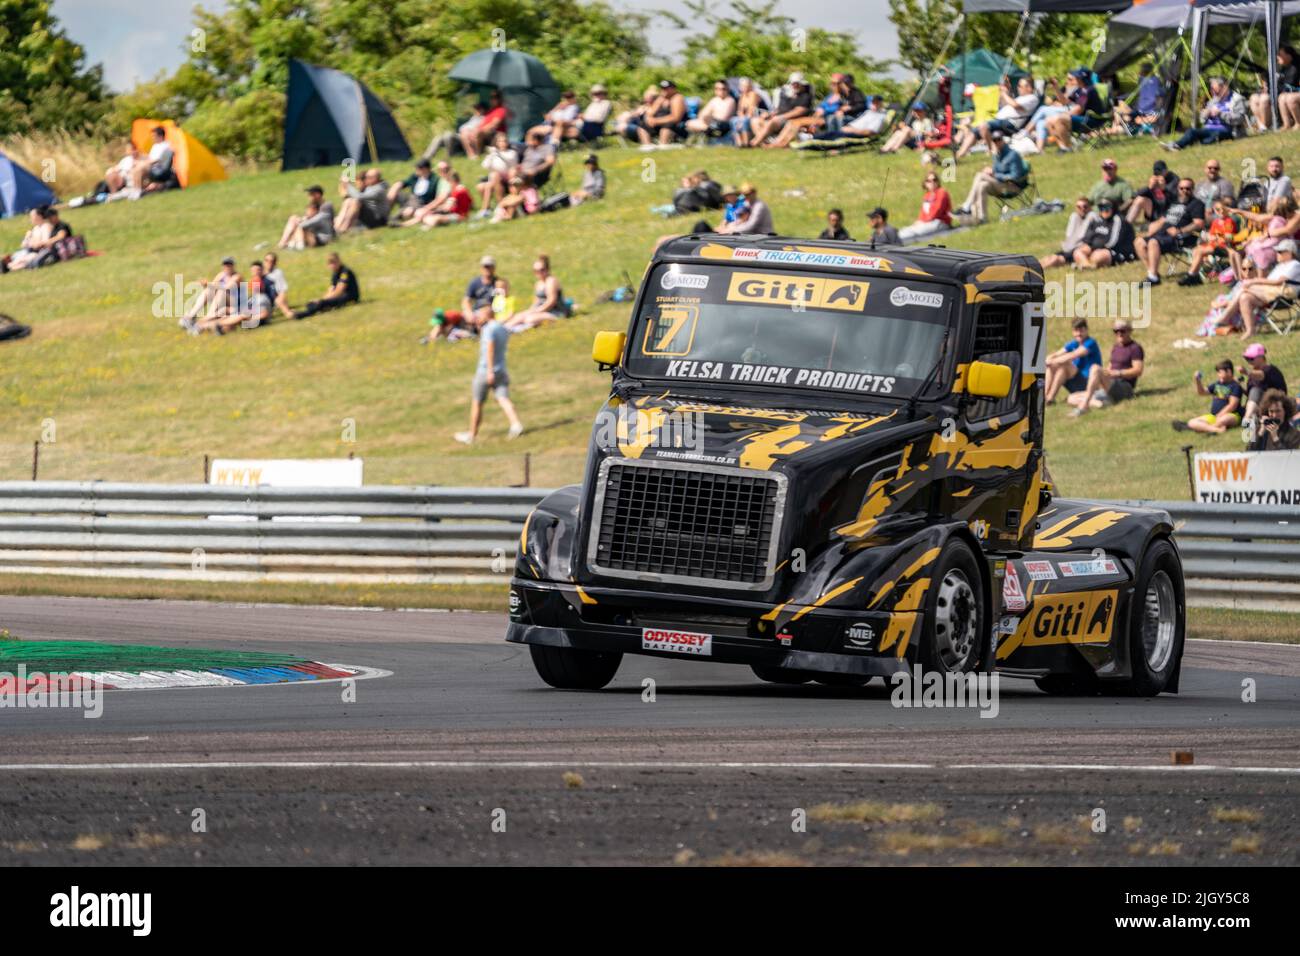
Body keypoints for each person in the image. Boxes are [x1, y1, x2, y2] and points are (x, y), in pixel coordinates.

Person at [454, 306, 524, 444]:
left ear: (487, 315)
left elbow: (490, 349)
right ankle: (516, 424)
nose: (478, 318)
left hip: (486, 371)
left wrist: (490, 371)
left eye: (480, 315)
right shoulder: (502, 328)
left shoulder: (489, 329)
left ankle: (471, 435)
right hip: (501, 369)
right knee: (503, 398)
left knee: (477, 402)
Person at [1216, 239, 1300, 337]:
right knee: (1245, 297)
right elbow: (1268, 281)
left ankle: (1225, 315)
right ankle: (1250, 330)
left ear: (1290, 253)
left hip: (1284, 293)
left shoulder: (1295, 264)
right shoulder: (1280, 266)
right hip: (1271, 293)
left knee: (1245, 288)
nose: (1277, 254)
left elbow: (1279, 282)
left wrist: (1255, 281)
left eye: (1280, 252)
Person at [1134, 178, 1205, 284]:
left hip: (1181, 238)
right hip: (1163, 235)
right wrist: (1153, 227)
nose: (1184, 191)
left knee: (1153, 242)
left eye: (1188, 188)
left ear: (1192, 189)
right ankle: (1153, 273)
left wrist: (1180, 230)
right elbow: (1163, 219)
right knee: (1138, 242)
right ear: (1178, 189)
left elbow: (1199, 223)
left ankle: (1152, 278)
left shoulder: (1196, 204)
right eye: (1182, 188)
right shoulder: (1174, 203)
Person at [1068, 319, 1144, 417]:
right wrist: (1103, 376)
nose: (1119, 334)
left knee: (1095, 368)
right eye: (1116, 331)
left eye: (1122, 331)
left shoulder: (1135, 348)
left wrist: (1118, 373)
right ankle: (1100, 404)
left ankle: (1084, 406)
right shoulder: (1116, 347)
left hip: (1125, 387)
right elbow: (1110, 367)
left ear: (1129, 331)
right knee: (1071, 398)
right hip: (1110, 385)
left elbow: (1138, 370)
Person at [956, 75, 1039, 158]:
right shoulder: (1020, 98)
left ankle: (992, 150)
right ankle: (959, 154)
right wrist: (1005, 89)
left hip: (1011, 123)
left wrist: (1004, 94)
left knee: (983, 126)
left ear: (1029, 87)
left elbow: (1015, 105)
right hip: (999, 121)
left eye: (1020, 86)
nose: (1018, 88)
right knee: (974, 131)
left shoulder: (1032, 98)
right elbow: (1006, 103)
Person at [954, 130, 1027, 224]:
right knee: (982, 185)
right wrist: (991, 171)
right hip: (1001, 185)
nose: (996, 142)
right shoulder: (997, 154)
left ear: (1003, 140)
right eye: (994, 140)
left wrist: (996, 175)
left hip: (1013, 187)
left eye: (999, 139)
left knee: (979, 175)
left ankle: (967, 206)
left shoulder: (1013, 155)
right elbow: (997, 170)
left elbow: (1015, 176)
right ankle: (982, 218)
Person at [1165, 77, 1245, 149]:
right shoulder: (1214, 100)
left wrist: (1220, 114)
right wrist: (1205, 114)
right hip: (1209, 129)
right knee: (1192, 131)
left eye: (1216, 90)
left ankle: (1198, 142)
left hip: (1226, 130)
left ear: (1224, 87)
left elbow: (1240, 119)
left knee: (1212, 137)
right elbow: (1202, 120)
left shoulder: (1237, 99)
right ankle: (1177, 145)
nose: (1213, 93)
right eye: (1212, 90)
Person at [1176, 197, 1239, 285]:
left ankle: (1192, 275)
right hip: (1215, 245)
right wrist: (1208, 236)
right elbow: (1211, 234)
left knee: (1200, 251)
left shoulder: (1229, 222)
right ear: (1214, 210)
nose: (1220, 212)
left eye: (1223, 209)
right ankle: (1194, 275)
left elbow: (1228, 237)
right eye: (1217, 210)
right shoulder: (1216, 222)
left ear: (1227, 210)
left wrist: (1215, 237)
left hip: (1226, 247)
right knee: (1196, 250)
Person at [1172, 360, 1244, 435]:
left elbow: (1232, 405)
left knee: (1223, 420)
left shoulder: (1235, 386)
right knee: (1192, 422)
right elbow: (1202, 392)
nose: (1218, 375)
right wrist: (1198, 381)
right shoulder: (1217, 384)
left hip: (1232, 415)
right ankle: (1215, 429)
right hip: (1213, 416)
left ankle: (1202, 428)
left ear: (1229, 372)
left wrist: (1220, 415)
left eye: (1220, 372)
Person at [504, 254, 571, 331]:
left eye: (542, 270)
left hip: (555, 312)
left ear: (547, 269)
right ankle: (504, 329)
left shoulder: (551, 281)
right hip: (541, 310)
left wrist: (538, 311)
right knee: (519, 316)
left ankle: (511, 329)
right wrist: (530, 310)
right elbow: (536, 301)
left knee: (530, 319)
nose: (539, 273)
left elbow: (551, 301)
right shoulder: (538, 284)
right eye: (536, 271)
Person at [1045, 70, 1106, 151]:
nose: (1075, 80)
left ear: (1082, 79)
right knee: (1049, 121)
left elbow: (1079, 110)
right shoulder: (1079, 90)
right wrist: (1056, 87)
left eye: (1076, 78)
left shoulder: (1088, 90)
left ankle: (1068, 148)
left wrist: (1063, 115)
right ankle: (1063, 147)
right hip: (1083, 118)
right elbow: (1064, 101)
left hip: (1092, 120)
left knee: (1059, 120)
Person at [1044, 319, 1103, 403]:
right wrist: (1049, 360)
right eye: (1076, 331)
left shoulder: (1091, 343)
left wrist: (1052, 361)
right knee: (1054, 366)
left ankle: (1049, 398)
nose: (1079, 334)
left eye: (1081, 330)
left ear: (1086, 330)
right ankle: (1046, 396)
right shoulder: (1073, 343)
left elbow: (1073, 355)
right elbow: (1056, 354)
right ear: (1073, 332)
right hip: (1077, 382)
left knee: (1064, 366)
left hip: (1089, 383)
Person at [748, 73, 812, 147]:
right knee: (755, 121)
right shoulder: (787, 94)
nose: (795, 85)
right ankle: (763, 144)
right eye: (793, 83)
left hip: (791, 120)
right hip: (779, 119)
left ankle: (754, 143)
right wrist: (770, 114)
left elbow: (799, 111)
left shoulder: (805, 96)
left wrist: (781, 117)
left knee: (773, 121)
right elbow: (780, 109)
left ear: (801, 84)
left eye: (797, 83)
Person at [180, 257, 241, 332]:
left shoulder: (237, 276)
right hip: (222, 300)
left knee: (221, 292)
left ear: (233, 266)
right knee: (209, 290)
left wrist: (208, 284)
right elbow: (213, 286)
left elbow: (227, 288)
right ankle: (191, 316)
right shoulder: (221, 275)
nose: (227, 267)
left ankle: (207, 318)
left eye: (229, 265)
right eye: (225, 265)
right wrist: (206, 285)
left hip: (234, 304)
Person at [1071, 199, 1135, 269]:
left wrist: (1096, 249)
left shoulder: (1119, 220)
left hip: (1116, 251)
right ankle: (1088, 265)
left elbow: (1113, 242)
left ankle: (1085, 263)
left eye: (1107, 207)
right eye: (1101, 207)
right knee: (1078, 252)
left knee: (1098, 255)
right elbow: (1087, 239)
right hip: (1096, 249)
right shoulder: (1096, 220)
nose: (1104, 210)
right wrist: (1088, 247)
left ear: (1113, 208)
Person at [293, 252, 359, 319]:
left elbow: (339, 290)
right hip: (341, 295)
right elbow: (331, 289)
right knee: (312, 303)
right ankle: (319, 306)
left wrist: (324, 301)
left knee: (322, 303)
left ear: (339, 261)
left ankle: (304, 314)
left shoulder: (345, 272)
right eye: (330, 263)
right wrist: (322, 299)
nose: (332, 265)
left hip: (350, 297)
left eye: (334, 262)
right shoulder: (335, 274)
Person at [1250, 45, 1300, 130]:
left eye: (1280, 54)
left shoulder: (1295, 66)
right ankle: (1282, 124)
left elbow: (1289, 85)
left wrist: (1272, 89)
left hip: (1289, 92)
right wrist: (1266, 85)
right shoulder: (1280, 67)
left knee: (1278, 98)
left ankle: (1297, 123)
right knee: (1254, 98)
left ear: (1289, 55)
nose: (1278, 57)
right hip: (1280, 92)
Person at [1238, 343, 1288, 423]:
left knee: (1255, 390)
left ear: (1261, 357)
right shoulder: (1254, 373)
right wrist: (1239, 386)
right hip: (1261, 406)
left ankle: (1248, 418)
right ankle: (1253, 418)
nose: (1248, 361)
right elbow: (1251, 396)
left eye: (1251, 358)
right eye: (1246, 358)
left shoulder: (1270, 370)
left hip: (1275, 404)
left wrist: (1247, 372)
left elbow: (1262, 375)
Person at [897, 171, 952, 243]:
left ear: (938, 182)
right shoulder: (927, 196)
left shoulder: (942, 193)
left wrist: (923, 221)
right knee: (911, 228)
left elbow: (937, 211)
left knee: (916, 231)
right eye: (929, 181)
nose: (932, 182)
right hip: (929, 222)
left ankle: (897, 238)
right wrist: (919, 221)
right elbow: (923, 213)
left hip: (940, 222)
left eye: (934, 180)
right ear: (925, 184)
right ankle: (895, 235)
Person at [1039, 197, 1093, 269]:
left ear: (1090, 208)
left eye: (1085, 207)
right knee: (1049, 257)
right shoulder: (1075, 217)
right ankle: (1029, 266)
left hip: (1075, 252)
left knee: (1055, 259)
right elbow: (1069, 236)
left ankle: (1035, 270)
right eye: (1079, 207)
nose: (1082, 209)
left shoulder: (1092, 219)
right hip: (1067, 250)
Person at [278, 185, 336, 249]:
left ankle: (296, 246)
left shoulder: (326, 206)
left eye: (311, 194)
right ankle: (284, 243)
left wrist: (301, 222)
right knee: (293, 218)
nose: (309, 197)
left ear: (318, 195)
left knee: (299, 226)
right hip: (313, 234)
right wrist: (302, 219)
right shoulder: (315, 206)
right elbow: (308, 218)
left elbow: (316, 221)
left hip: (322, 238)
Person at [334, 168, 391, 233]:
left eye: (368, 177)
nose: (366, 179)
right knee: (349, 201)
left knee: (355, 201)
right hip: (370, 216)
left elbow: (359, 197)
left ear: (375, 178)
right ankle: (337, 228)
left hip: (378, 220)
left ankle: (342, 229)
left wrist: (347, 184)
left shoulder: (379, 189)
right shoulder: (371, 187)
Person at [475, 131, 520, 211]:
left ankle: (490, 208)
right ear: (496, 143)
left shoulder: (512, 152)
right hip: (494, 179)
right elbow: (485, 166)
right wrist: (491, 155)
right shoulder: (493, 154)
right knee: (481, 186)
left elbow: (511, 163)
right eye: (500, 141)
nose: (502, 143)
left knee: (493, 179)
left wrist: (499, 154)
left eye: (504, 141)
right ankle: (488, 208)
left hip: (507, 178)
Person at [1127, 160, 1178, 225]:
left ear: (1166, 171)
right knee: (1139, 199)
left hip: (1169, 213)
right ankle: (1127, 224)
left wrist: (1164, 188)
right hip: (1156, 211)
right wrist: (1149, 187)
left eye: (1161, 172)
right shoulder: (1155, 179)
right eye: (1156, 173)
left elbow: (1174, 198)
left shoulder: (1174, 179)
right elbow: (1136, 195)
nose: (1159, 175)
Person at [639, 79, 688, 145]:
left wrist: (656, 121)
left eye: (667, 88)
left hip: (676, 126)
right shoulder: (662, 98)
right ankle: (647, 146)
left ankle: (663, 145)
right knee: (643, 124)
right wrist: (659, 101)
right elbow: (651, 113)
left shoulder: (677, 98)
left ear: (673, 88)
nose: (664, 90)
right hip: (659, 123)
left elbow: (676, 118)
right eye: (663, 88)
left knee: (667, 125)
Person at [460, 91, 507, 158]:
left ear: (500, 99)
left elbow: (494, 125)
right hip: (483, 132)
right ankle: (471, 155)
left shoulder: (501, 110)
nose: (492, 100)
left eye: (495, 97)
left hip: (494, 134)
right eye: (491, 98)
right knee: (464, 133)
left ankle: (478, 154)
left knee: (478, 132)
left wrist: (479, 130)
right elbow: (481, 122)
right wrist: (474, 129)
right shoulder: (491, 111)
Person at [130, 126, 174, 194]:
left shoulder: (166, 146)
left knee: (139, 168)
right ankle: (136, 189)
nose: (152, 137)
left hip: (158, 168)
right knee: (136, 168)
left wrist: (142, 162)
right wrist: (141, 156)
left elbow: (156, 160)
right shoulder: (155, 146)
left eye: (154, 136)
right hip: (151, 165)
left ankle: (137, 191)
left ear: (160, 136)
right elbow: (150, 157)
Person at [462, 256, 500, 329]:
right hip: (476, 311)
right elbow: (466, 300)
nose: (487, 269)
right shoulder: (475, 282)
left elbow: (501, 304)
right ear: (481, 268)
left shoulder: (498, 283)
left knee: (486, 312)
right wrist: (468, 312)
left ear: (494, 268)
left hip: (490, 311)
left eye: (490, 266)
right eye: (485, 266)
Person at [729, 78, 764, 148]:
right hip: (746, 116)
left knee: (744, 121)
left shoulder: (753, 94)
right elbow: (739, 110)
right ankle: (739, 143)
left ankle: (746, 143)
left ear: (750, 86)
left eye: (745, 86)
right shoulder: (742, 96)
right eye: (742, 86)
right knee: (733, 120)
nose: (743, 88)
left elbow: (751, 110)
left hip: (755, 116)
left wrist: (741, 120)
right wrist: (740, 118)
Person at [262, 252, 294, 321]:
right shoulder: (259, 274)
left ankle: (289, 313)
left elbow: (282, 291)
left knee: (278, 299)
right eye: (266, 260)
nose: (269, 263)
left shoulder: (277, 273)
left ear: (275, 263)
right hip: (263, 300)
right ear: (264, 261)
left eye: (271, 261)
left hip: (275, 299)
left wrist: (281, 302)